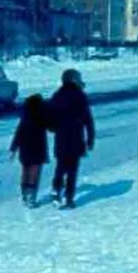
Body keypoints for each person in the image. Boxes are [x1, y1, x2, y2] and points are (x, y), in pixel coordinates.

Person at [47, 69, 95, 210]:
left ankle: (56, 188)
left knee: (61, 165)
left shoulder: (57, 95)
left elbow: (49, 116)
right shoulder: (80, 96)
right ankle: (69, 198)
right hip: (76, 136)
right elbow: (88, 119)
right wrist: (90, 138)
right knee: (73, 169)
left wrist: (54, 127)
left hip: (61, 137)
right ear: (74, 80)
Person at [9, 94, 49, 208]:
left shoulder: (25, 117)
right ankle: (31, 198)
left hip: (25, 150)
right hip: (37, 149)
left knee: (25, 172)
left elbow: (18, 134)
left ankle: (25, 195)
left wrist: (13, 149)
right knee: (34, 173)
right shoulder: (40, 117)